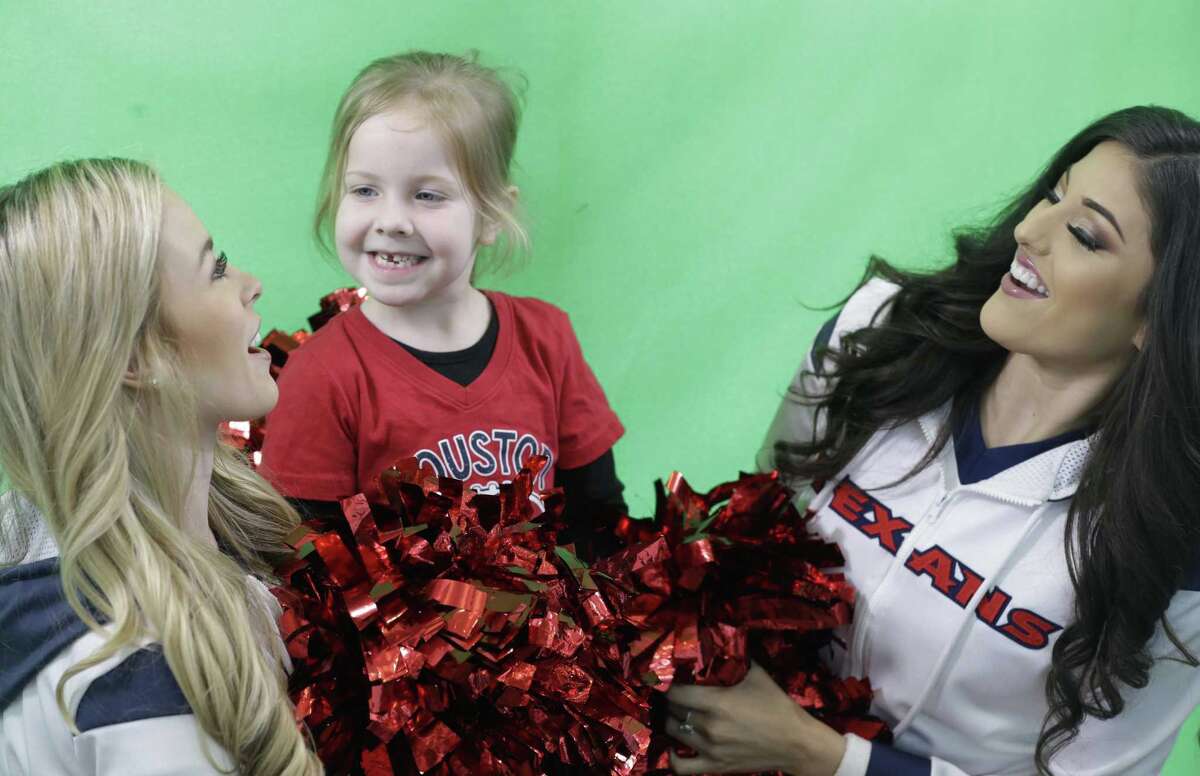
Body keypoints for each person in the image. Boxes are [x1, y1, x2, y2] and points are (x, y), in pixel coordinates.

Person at [665, 106, 1200, 775]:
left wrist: (825, 758)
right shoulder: (877, 336)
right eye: (1052, 196)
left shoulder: (1177, 540)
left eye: (1087, 235)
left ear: (1163, 319)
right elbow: (759, 530)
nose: (1030, 231)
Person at [0, 159, 323, 775]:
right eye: (216, 270)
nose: (249, 283)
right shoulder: (144, 683)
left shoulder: (45, 545)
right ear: (132, 356)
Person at [259, 51, 626, 551]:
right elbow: (311, 565)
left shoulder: (547, 338)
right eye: (365, 190)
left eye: (428, 196)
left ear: (494, 214)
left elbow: (598, 514)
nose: (391, 220)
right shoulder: (321, 375)